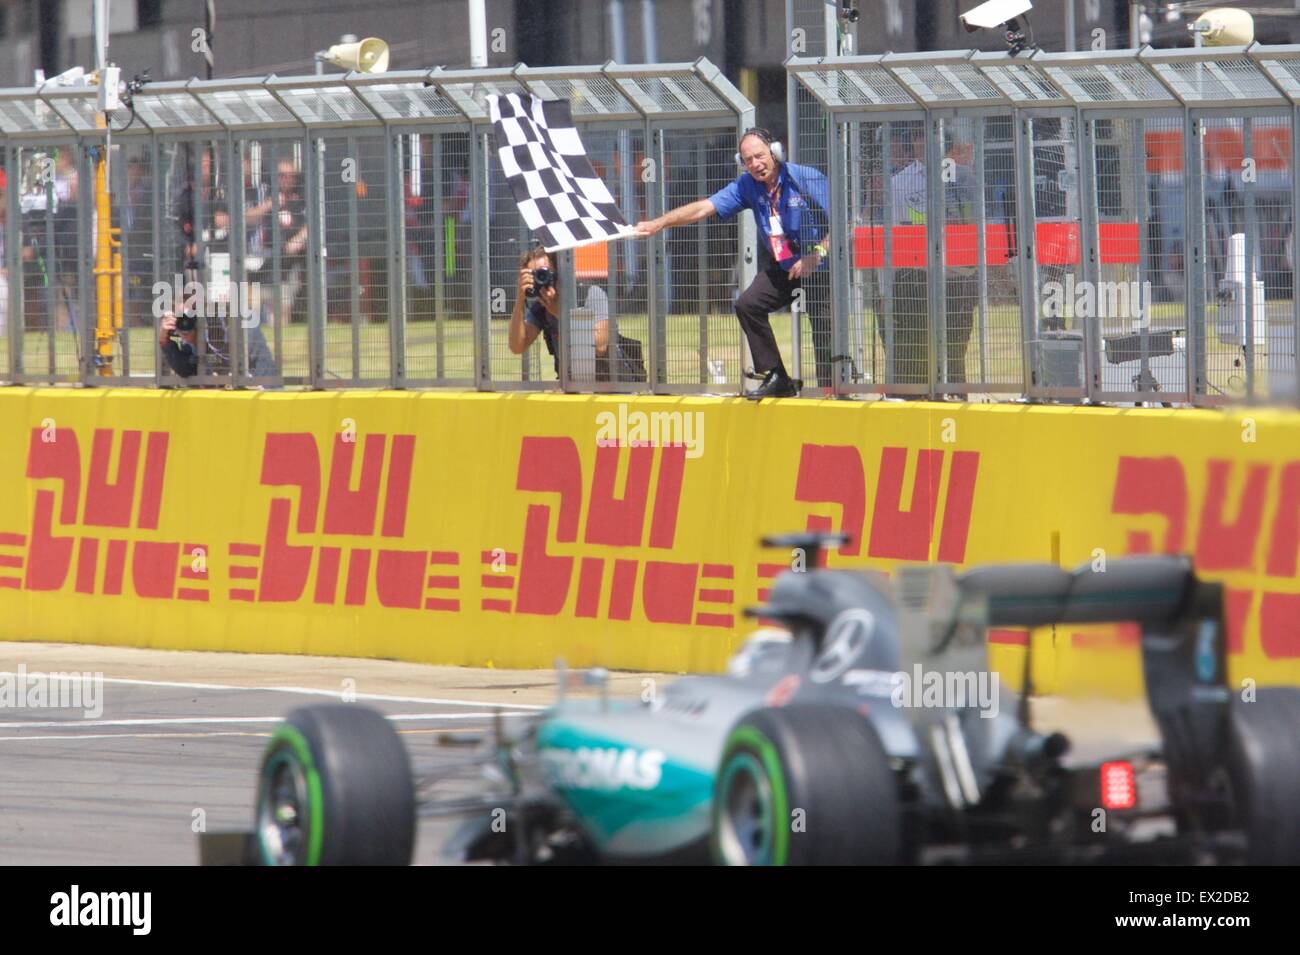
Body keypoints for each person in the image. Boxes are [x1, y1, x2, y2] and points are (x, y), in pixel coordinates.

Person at [635, 127, 831, 399]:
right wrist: (659, 223)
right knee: (748, 304)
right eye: (748, 160)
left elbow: (844, 221)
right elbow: (704, 207)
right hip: (785, 266)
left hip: (822, 266)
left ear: (775, 152)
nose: (755, 164)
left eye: (760, 156)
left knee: (825, 328)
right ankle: (777, 376)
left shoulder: (805, 178)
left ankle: (833, 392)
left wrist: (817, 253)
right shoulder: (747, 185)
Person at [885, 124, 978, 390]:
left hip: (957, 277)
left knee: (954, 348)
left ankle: (955, 398)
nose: (923, 142)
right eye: (917, 135)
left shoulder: (962, 177)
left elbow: (972, 224)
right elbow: (894, 236)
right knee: (915, 348)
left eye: (930, 135)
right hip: (915, 279)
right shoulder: (899, 182)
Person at [510, 244, 633, 382]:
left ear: (558, 271)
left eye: (544, 273)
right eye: (535, 275)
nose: (541, 280)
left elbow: (600, 346)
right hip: (573, 385)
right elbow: (517, 346)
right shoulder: (541, 307)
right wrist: (520, 300)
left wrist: (561, 315)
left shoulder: (589, 294)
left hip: (612, 385)